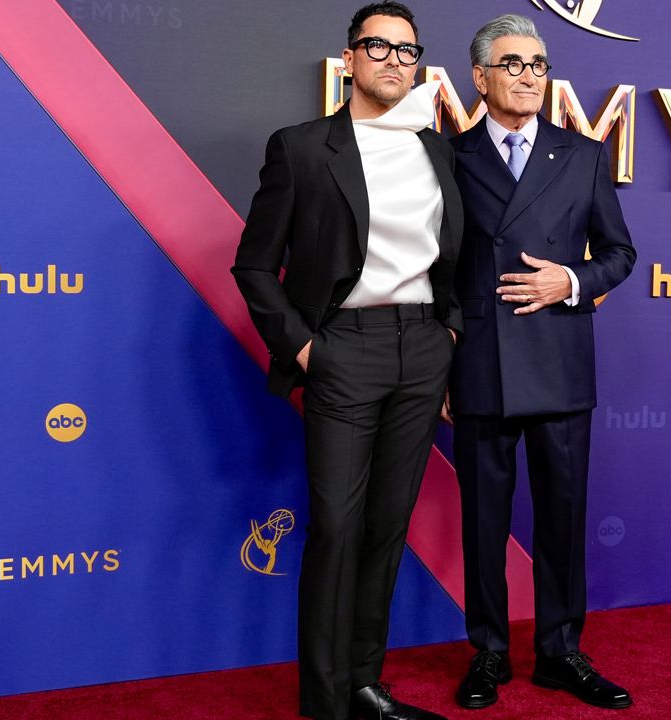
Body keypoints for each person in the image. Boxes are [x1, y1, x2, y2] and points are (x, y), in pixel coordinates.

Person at [231, 3, 461, 719]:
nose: (395, 60)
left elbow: (457, 256)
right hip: (344, 351)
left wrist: (448, 334)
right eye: (379, 47)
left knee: (388, 527)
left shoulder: (438, 148)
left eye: (407, 50)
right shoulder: (303, 147)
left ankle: (366, 686)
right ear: (350, 58)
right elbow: (255, 266)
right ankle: (325, 704)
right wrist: (304, 347)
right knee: (337, 527)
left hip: (422, 350)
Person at [447, 13, 636, 712]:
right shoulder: (449, 156)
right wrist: (442, 368)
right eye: (514, 64)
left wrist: (573, 280)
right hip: (480, 368)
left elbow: (620, 253)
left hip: (558, 362)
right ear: (481, 77)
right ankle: (488, 653)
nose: (529, 76)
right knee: (483, 524)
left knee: (562, 518)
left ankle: (560, 652)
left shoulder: (582, 155)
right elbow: (437, 273)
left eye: (539, 64)